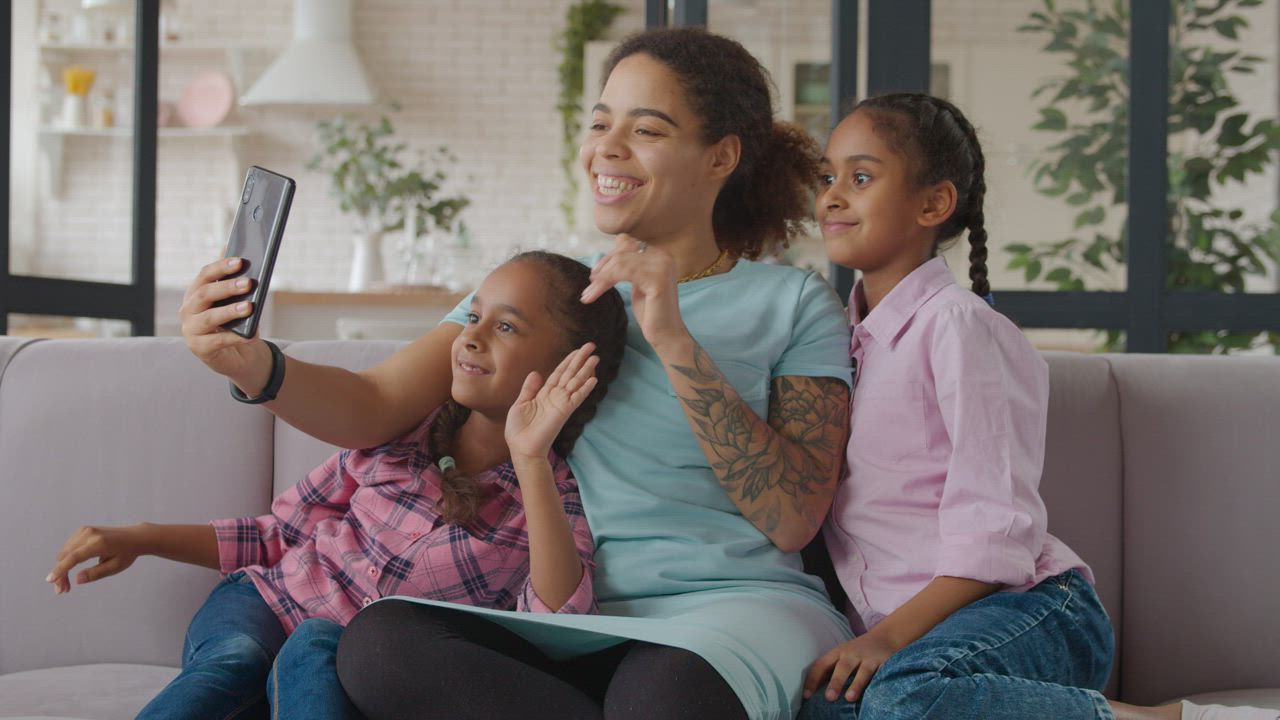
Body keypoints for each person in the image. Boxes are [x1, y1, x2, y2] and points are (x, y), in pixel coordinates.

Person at [331, 26, 855, 720]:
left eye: (646, 130)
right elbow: (377, 399)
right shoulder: (549, 291)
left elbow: (792, 519)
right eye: (601, 123)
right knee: (381, 643)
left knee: (658, 697)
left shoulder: (793, 302)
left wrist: (670, 334)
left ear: (720, 156)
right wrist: (252, 364)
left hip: (734, 613)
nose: (607, 147)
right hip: (564, 609)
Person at [800, 93, 1278, 720]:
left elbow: (998, 531)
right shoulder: (838, 340)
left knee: (905, 697)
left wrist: (885, 639)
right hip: (922, 640)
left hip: (1029, 612)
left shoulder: (960, 328)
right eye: (828, 177)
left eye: (860, 177)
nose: (833, 195)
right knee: (821, 710)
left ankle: (1166, 719)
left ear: (934, 203)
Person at [46, 250, 628, 720]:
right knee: (235, 664)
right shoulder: (400, 435)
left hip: (350, 661)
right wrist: (142, 537)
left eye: (505, 327)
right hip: (264, 607)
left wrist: (528, 459)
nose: (471, 338)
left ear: (570, 367)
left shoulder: (550, 499)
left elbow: (557, 616)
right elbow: (277, 536)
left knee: (317, 648)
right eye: (472, 317)